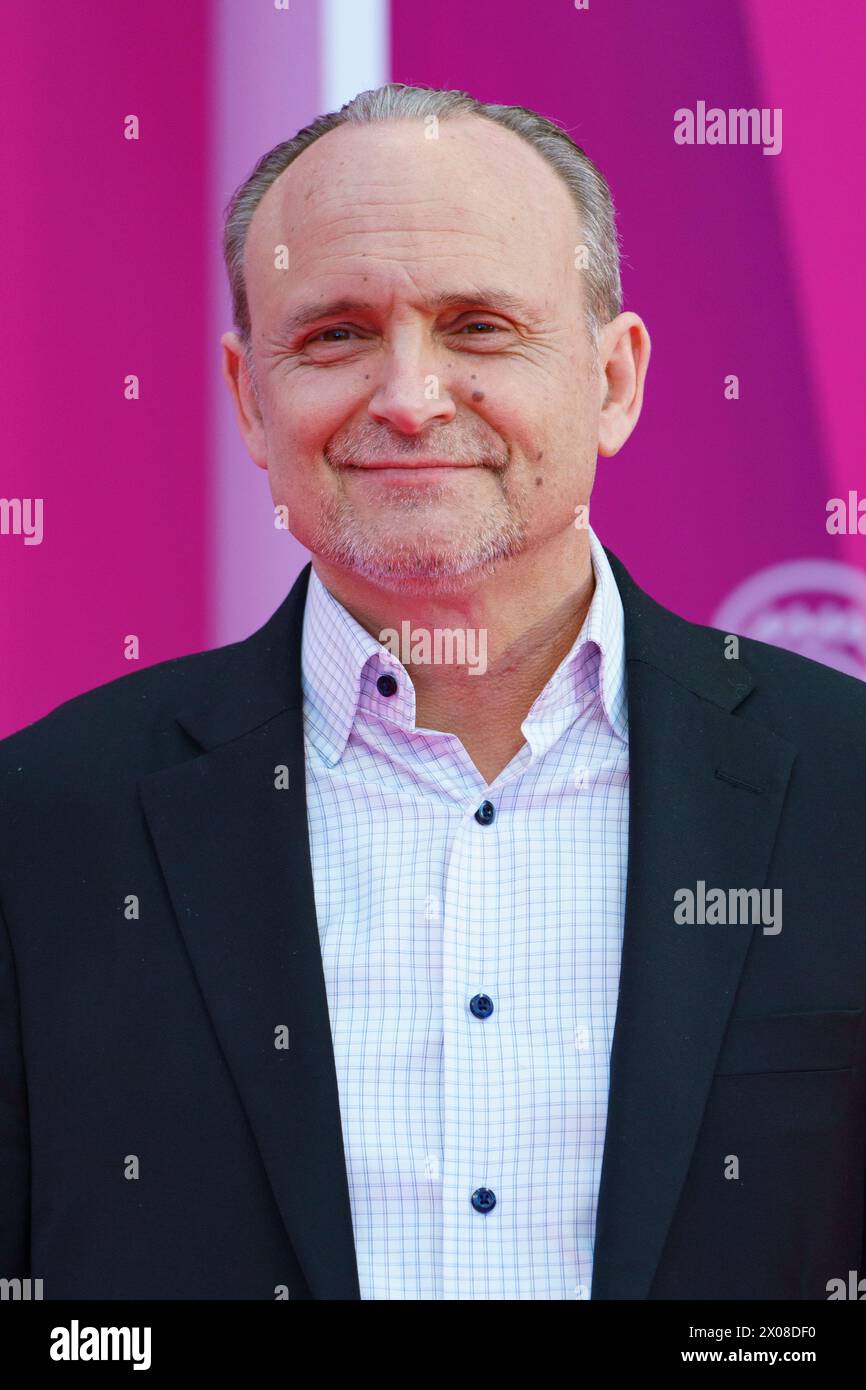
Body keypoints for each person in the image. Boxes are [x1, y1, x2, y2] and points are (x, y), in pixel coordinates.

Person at [1, 83, 864, 1301]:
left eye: (477, 327)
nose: (408, 398)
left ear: (613, 380)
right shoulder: (41, 824)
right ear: (251, 398)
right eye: (338, 335)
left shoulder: (842, 792)